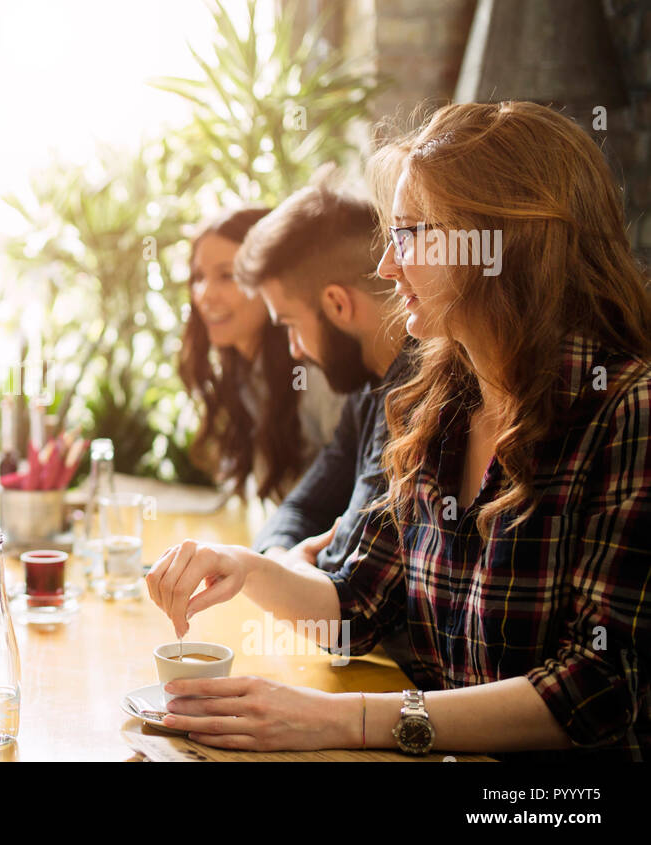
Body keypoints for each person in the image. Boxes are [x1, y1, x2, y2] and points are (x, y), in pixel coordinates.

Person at [147, 101, 651, 760]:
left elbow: (597, 687)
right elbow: (357, 609)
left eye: (410, 233)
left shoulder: (625, 412)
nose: (387, 266)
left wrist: (344, 719)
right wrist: (241, 567)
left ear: (501, 245)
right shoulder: (432, 404)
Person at [233, 184, 417, 671]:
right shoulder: (370, 390)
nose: (293, 349)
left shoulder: (417, 396)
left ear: (337, 304)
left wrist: (284, 569)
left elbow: (346, 608)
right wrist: (283, 559)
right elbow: (303, 507)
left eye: (291, 323)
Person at [179, 209, 343, 503]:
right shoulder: (242, 371)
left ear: (272, 282)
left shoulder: (315, 372)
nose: (205, 294)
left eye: (227, 276)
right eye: (198, 277)